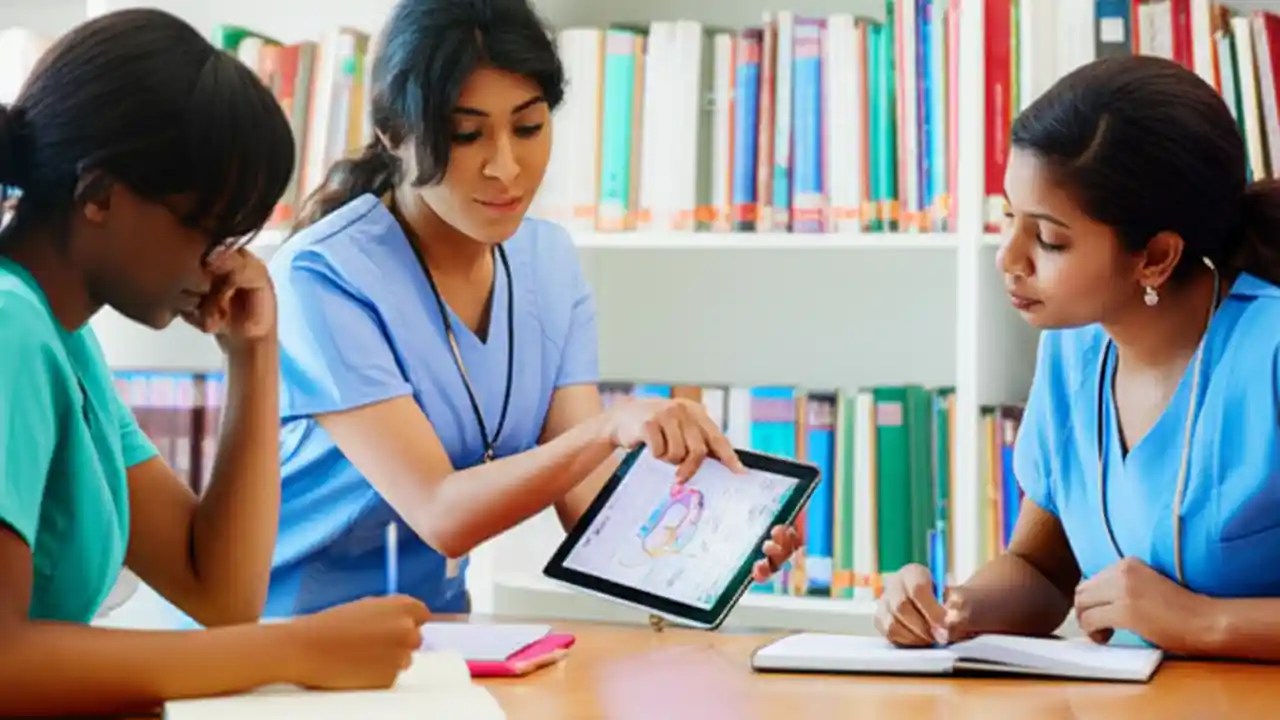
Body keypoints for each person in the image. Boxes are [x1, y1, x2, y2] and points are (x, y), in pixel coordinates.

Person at [265, 0, 801, 617]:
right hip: (278, 639)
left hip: (430, 639)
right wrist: (609, 426)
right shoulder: (321, 276)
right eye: (466, 134)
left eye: (528, 127)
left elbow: (588, 503)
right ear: (394, 135)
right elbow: (442, 514)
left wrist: (722, 546)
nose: (506, 166)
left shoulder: (548, 260)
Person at [0, 10, 431, 715]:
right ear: (99, 196)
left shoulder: (62, 339)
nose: (220, 263)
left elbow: (219, 593)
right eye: (205, 227)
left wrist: (253, 355)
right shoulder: (10, 328)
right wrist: (296, 650)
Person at [875, 54, 1280, 661]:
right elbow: (1040, 572)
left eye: (1049, 238)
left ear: (1156, 257)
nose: (1008, 258)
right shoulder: (1073, 351)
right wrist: (952, 611)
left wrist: (1203, 622)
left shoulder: (1268, 353)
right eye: (1009, 217)